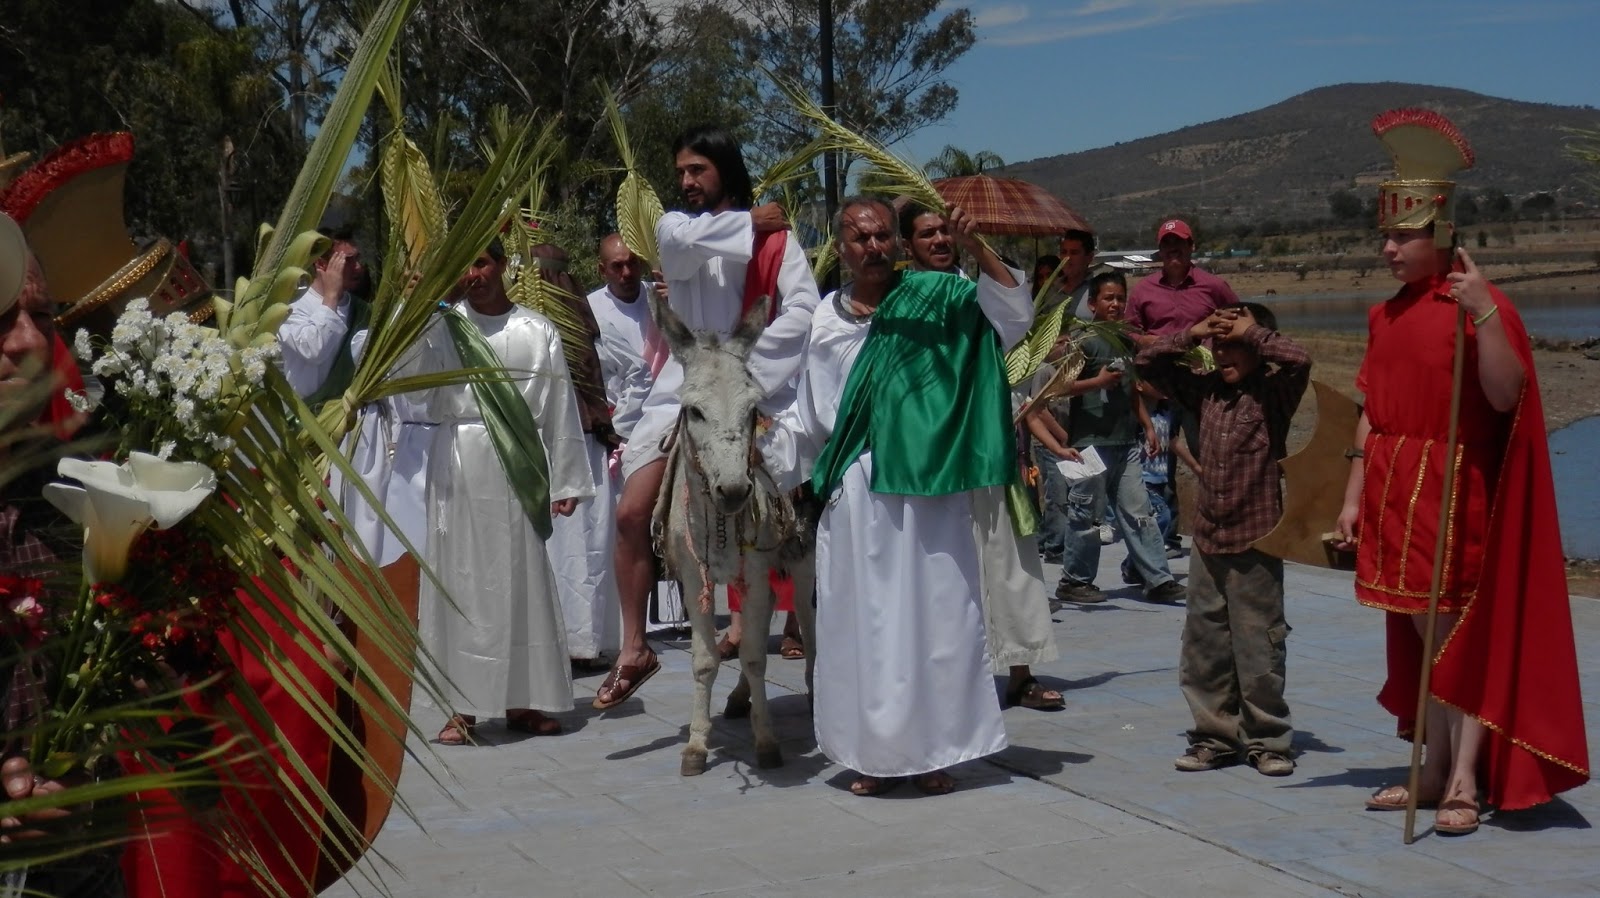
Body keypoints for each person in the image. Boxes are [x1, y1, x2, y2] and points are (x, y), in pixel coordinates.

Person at [1331, 108, 1588, 832]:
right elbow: (1371, 414)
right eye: (1385, 236)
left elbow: (1508, 395)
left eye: (1401, 237)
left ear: (1439, 235)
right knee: (1420, 634)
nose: (1387, 249)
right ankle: (1433, 765)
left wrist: (1480, 314)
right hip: (1390, 488)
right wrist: (1353, 496)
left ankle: (1464, 782)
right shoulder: (1384, 316)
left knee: (1456, 637)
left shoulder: (1481, 304)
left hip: (1452, 488)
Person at [760, 198, 1033, 795]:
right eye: (860, 238)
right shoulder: (822, 320)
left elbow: (1013, 316)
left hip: (929, 485)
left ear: (899, 243)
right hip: (855, 489)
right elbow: (803, 415)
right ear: (841, 246)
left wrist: (977, 246)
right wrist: (775, 475)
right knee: (865, 626)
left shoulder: (940, 297)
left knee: (940, 619)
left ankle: (934, 753)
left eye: (883, 235)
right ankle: (873, 756)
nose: (873, 247)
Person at [596, 126, 821, 709]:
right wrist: (752, 222)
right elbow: (678, 244)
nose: (687, 183)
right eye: (681, 174)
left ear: (724, 167)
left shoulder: (779, 242)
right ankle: (633, 647)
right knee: (630, 512)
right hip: (681, 391)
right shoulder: (678, 228)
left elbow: (802, 311)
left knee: (776, 522)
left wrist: (747, 372)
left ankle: (782, 638)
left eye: (698, 170)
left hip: (752, 393)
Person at [413, 242, 592, 744]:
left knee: (521, 580)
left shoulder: (536, 330)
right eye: (466, 263)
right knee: (461, 581)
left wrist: (567, 478)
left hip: (516, 466)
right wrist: (430, 304)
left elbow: (559, 405)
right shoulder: (444, 326)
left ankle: (524, 699)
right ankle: (461, 707)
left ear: (501, 265)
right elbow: (406, 374)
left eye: (483, 261)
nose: (475, 274)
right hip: (459, 462)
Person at [1137, 302, 1309, 776]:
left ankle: (1268, 739)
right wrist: (1192, 332)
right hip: (1208, 538)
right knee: (1205, 644)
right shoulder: (1204, 392)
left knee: (1259, 644)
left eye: (1236, 345)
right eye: (1220, 345)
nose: (1225, 354)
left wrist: (1252, 331)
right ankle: (1214, 736)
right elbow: (1147, 363)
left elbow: (1300, 360)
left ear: (1257, 347)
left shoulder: (1274, 395)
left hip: (1257, 539)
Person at [1053, 271, 1183, 605]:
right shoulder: (1083, 341)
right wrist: (1096, 383)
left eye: (1120, 298)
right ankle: (1074, 580)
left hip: (1125, 442)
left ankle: (1157, 578)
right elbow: (1058, 388)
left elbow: (1132, 390)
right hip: (1090, 444)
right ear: (1093, 303)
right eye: (1108, 298)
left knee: (1139, 512)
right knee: (1086, 514)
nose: (1115, 304)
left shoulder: (1125, 340)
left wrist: (1148, 425)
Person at [526, 242, 623, 666]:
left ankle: (584, 639)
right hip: (544, 445)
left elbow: (592, 374)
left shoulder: (578, 327)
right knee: (565, 548)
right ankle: (563, 641)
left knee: (588, 546)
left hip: (581, 441)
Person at [279, 228, 369, 403]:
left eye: (357, 258)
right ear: (321, 264)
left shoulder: (363, 310)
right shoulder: (291, 310)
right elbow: (314, 349)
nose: (357, 267)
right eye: (347, 261)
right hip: (313, 419)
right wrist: (331, 297)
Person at [1125, 219, 1237, 345]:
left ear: (1191, 246)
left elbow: (1238, 319)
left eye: (1178, 242)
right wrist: (1142, 340)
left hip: (1202, 363)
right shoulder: (1142, 290)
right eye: (1166, 243)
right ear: (1160, 250)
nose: (1173, 248)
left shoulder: (1215, 286)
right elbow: (1128, 331)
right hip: (1158, 361)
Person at [899, 202, 959, 274]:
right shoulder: (902, 285)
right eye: (927, 234)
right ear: (908, 247)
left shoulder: (973, 284)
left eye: (946, 230)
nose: (941, 240)